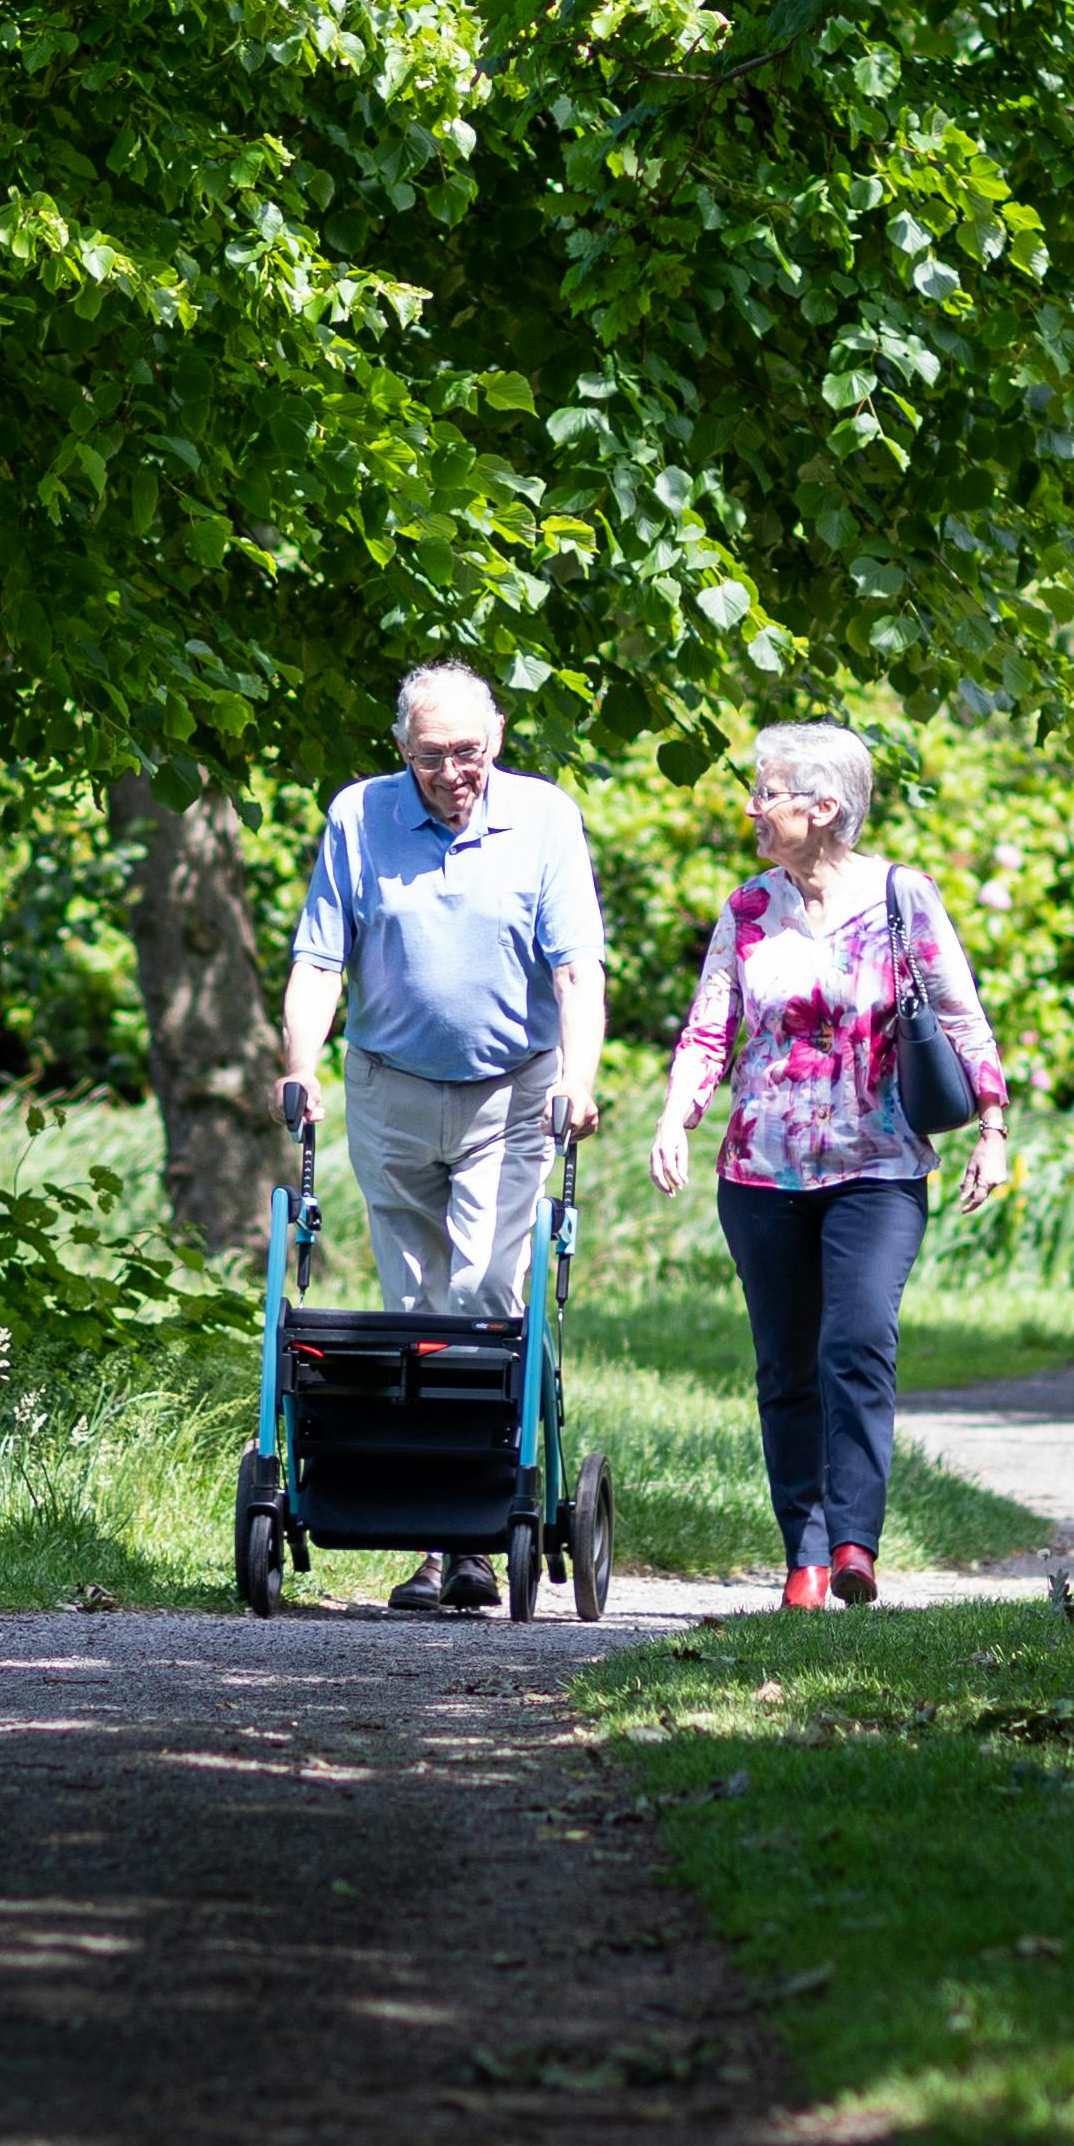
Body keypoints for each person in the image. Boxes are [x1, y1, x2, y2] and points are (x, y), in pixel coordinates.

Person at [647, 720, 1010, 1610]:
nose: (752, 807)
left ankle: (854, 1542)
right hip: (761, 1172)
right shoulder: (748, 907)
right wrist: (675, 1116)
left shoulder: (902, 895)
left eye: (766, 792)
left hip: (878, 1165)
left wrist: (993, 1126)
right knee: (785, 1365)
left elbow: (958, 1013)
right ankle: (802, 1558)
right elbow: (709, 1023)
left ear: (824, 806)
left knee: (856, 1344)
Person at [281, 660, 606, 1611]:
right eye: (433, 756)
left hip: (513, 1091)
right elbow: (318, 957)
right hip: (389, 1086)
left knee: (480, 1297)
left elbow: (576, 969)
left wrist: (578, 1080)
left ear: (497, 738)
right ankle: (429, 1539)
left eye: (471, 750)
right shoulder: (359, 816)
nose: (455, 771)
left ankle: (472, 1532)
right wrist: (300, 1063)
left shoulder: (544, 817)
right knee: (411, 1303)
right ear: (401, 751)